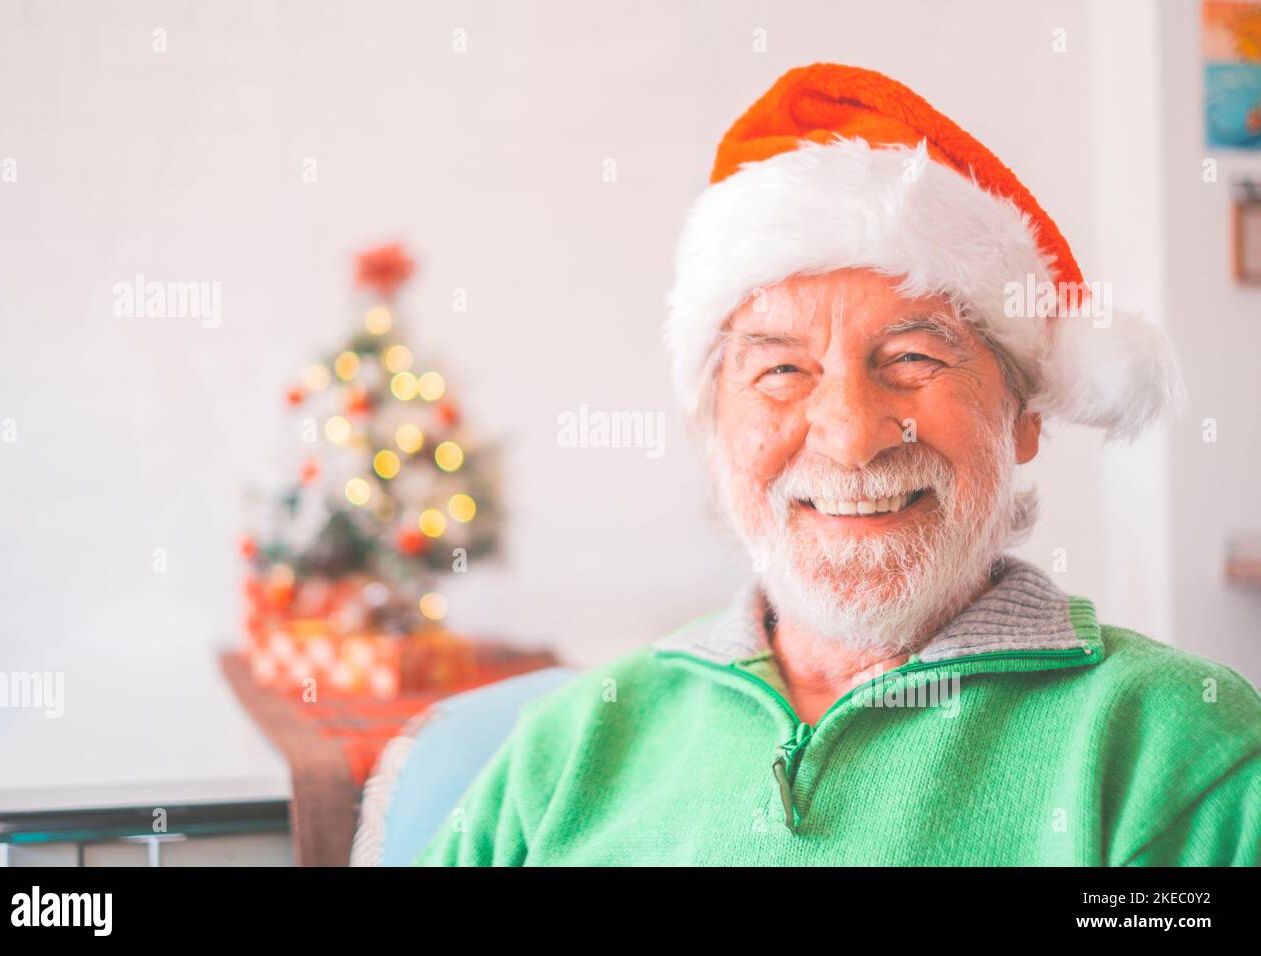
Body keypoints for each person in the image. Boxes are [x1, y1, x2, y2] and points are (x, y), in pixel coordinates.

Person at [413, 63, 1260, 866]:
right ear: (717, 431)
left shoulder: (1180, 751)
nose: (851, 437)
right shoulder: (564, 748)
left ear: (1022, 417)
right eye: (782, 370)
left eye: (915, 358)